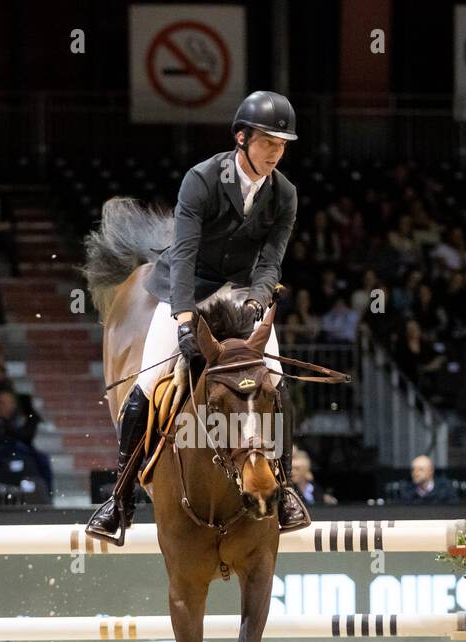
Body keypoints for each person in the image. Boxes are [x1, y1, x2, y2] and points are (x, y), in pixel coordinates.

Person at [86, 90, 309, 544]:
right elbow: (185, 253)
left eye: (282, 144)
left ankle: (283, 489)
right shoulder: (202, 180)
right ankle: (120, 497)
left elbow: (271, 261)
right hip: (186, 288)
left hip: (244, 293)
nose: (275, 152)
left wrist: (258, 299)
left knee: (276, 383)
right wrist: (185, 320)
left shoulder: (284, 194)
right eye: (268, 142)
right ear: (241, 138)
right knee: (146, 387)